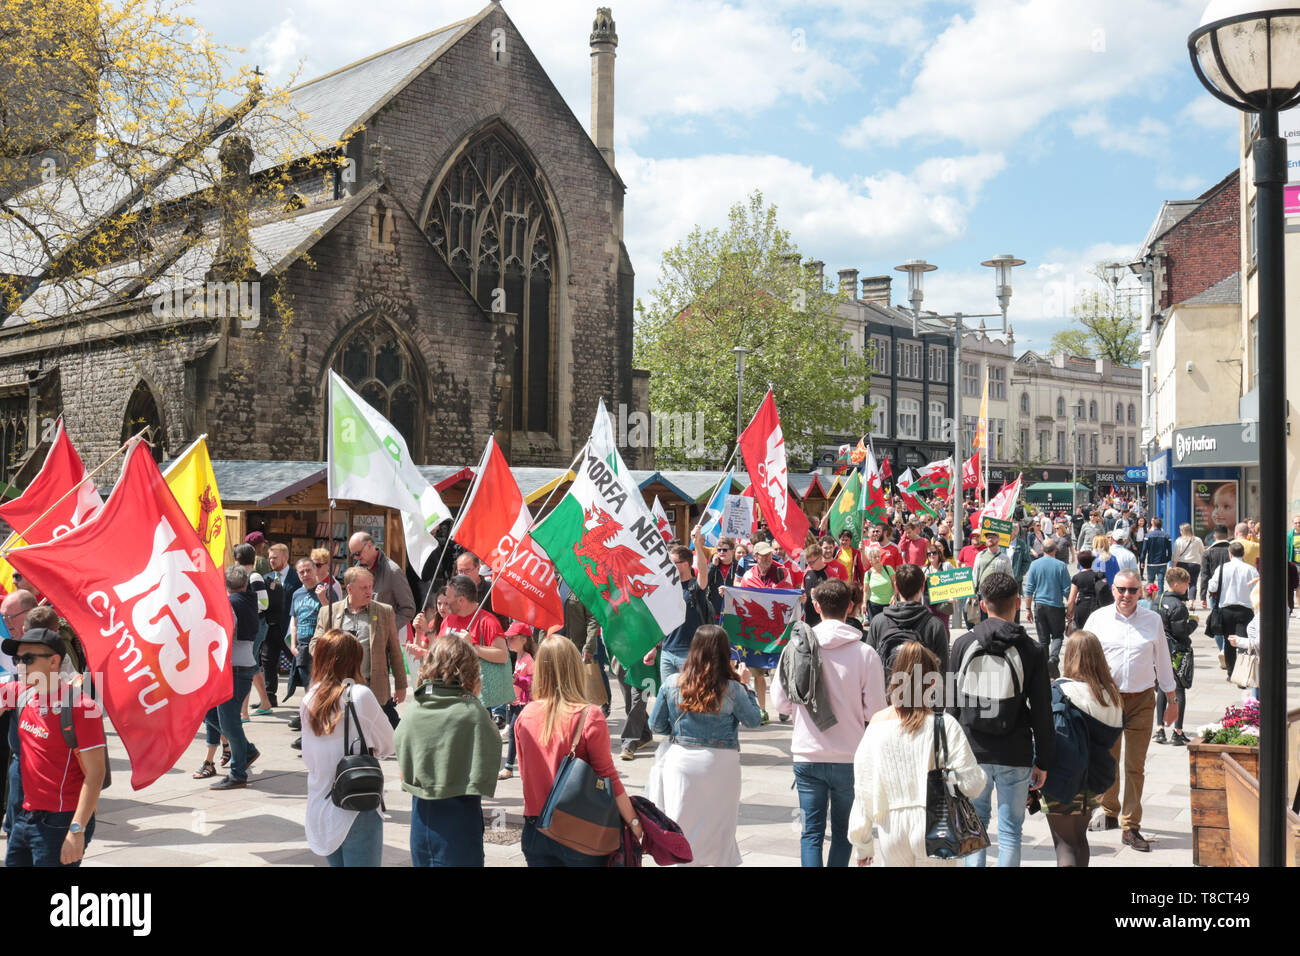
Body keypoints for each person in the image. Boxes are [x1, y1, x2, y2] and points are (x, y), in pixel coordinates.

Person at [772, 577, 887, 867]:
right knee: (843, 833)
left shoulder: (795, 648)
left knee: (811, 833)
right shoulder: (865, 654)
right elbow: (875, 711)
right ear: (851, 607)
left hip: (807, 753)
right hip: (850, 756)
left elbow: (781, 703)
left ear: (816, 605)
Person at [848, 642, 986, 867]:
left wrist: (862, 844)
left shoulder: (876, 725)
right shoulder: (945, 725)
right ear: (932, 683)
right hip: (936, 825)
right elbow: (973, 784)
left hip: (891, 829)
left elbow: (863, 790)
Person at [949, 571, 1054, 867]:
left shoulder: (961, 645)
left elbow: (951, 704)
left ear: (983, 604)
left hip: (972, 749)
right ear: (1017, 603)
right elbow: (1043, 710)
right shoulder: (1032, 649)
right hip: (1015, 750)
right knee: (1010, 832)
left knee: (974, 828)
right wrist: (1044, 760)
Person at [514, 636, 643, 865]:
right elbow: (608, 776)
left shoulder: (524, 716)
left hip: (535, 827)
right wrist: (633, 821)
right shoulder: (589, 715)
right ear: (575, 668)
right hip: (580, 830)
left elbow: (526, 775)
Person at [647, 625, 762, 866]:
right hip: (721, 763)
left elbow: (655, 726)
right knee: (721, 827)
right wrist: (747, 686)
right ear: (723, 652)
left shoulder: (671, 683)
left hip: (682, 760)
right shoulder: (732, 688)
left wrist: (677, 732)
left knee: (682, 824)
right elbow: (753, 720)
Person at [1085, 569, 1178, 852]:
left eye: (1132, 590)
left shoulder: (1153, 620)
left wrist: (1171, 700)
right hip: (1108, 700)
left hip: (1141, 700)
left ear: (1142, 592)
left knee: (1135, 765)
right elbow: (1083, 657)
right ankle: (1109, 810)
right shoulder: (1098, 619)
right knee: (1107, 760)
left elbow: (1162, 660)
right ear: (1113, 590)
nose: (1127, 596)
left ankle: (1130, 825)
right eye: (1122, 590)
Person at [1, 626, 106, 867]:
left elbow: (96, 773)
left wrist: (76, 831)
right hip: (25, 816)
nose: (20, 665)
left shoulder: (81, 706)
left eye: (28, 658)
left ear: (54, 661)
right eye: (17, 658)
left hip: (61, 821)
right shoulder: (22, 693)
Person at [395, 634, 502, 866]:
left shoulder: (415, 709)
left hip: (421, 822)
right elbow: (488, 767)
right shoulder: (472, 712)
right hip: (460, 825)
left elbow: (403, 771)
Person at [301, 628, 396, 866]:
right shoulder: (360, 695)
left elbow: (308, 756)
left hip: (320, 805)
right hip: (356, 804)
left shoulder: (309, 698)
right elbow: (390, 743)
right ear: (355, 660)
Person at [1040, 631, 1124, 867]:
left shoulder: (1060, 691)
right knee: (1079, 839)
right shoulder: (1112, 696)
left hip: (1063, 779)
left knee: (1064, 844)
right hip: (1096, 780)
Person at [313, 566, 408, 728]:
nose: (369, 592)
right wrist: (334, 646)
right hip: (338, 687)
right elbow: (314, 646)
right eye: (363, 588)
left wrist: (401, 685)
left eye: (370, 587)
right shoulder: (328, 612)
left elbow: (395, 651)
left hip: (372, 686)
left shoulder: (384, 611)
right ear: (349, 589)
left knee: (378, 732)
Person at [201, 566, 262, 789]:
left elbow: (223, 635)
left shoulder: (231, 604)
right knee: (214, 716)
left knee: (228, 722)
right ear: (245, 584)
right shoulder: (248, 599)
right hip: (241, 668)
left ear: (225, 585)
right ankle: (246, 751)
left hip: (234, 670)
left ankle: (238, 773)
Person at [736, 539, 792, 723]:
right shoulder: (747, 577)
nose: (768, 558)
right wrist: (727, 593)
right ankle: (761, 710)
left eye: (770, 554)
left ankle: (783, 707)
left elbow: (790, 596)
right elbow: (741, 599)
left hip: (779, 631)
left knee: (779, 672)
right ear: (755, 557)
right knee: (758, 673)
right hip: (756, 631)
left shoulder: (782, 572)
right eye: (764, 555)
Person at [866, 563, 950, 678]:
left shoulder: (878, 622)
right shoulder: (934, 625)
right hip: (923, 693)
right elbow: (943, 672)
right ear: (922, 587)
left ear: (895, 587)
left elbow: (869, 667)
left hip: (887, 693)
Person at [1153, 567, 1197, 745]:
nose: (1189, 586)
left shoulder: (1159, 599)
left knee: (1163, 687)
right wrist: (1193, 623)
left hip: (1161, 650)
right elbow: (1181, 632)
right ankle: (1177, 731)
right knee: (1179, 689)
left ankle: (1160, 729)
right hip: (1177, 651)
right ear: (1177, 584)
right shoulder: (1178, 606)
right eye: (1187, 583)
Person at [233, 543, 275, 718]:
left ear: (237, 559)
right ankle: (265, 702)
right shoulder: (245, 576)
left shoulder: (254, 577)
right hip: (252, 624)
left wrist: (245, 608)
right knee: (252, 664)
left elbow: (264, 604)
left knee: (247, 665)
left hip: (256, 625)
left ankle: (243, 712)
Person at [347, 531, 417, 635]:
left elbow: (408, 609)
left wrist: (386, 629)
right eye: (353, 555)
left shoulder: (392, 571)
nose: (356, 558)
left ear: (369, 545)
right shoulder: (356, 570)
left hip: (384, 641)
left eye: (358, 553)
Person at [1207, 541, 1258, 679]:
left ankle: (1231, 672)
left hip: (1226, 609)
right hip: (1245, 610)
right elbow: (1257, 590)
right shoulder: (1251, 569)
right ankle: (1243, 672)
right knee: (1243, 642)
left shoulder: (1222, 568)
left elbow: (1212, 587)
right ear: (1243, 553)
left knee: (1229, 641)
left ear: (1230, 554)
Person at [1024, 537, 1073, 676]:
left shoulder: (1034, 565)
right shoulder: (1061, 566)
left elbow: (1029, 589)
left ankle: (1045, 668)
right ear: (1055, 550)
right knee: (1057, 635)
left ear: (1041, 550)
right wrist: (1070, 609)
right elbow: (1067, 590)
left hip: (1039, 604)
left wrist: (1028, 609)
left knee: (1043, 639)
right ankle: (1053, 658)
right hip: (1056, 605)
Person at [500, 625, 536, 779]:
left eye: (512, 638)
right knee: (518, 733)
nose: (509, 641)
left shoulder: (528, 658)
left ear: (523, 639)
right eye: (508, 638)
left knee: (516, 732)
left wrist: (517, 679)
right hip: (516, 703)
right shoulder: (519, 658)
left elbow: (533, 680)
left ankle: (509, 766)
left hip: (525, 704)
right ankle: (521, 764)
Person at [971, 533, 1012, 622]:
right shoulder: (980, 555)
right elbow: (974, 574)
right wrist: (973, 591)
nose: (989, 538)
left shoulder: (1004, 558)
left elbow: (1010, 578)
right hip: (982, 593)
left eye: (992, 536)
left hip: (997, 594)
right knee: (982, 620)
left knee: (995, 620)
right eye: (987, 537)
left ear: (998, 540)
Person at [922, 544, 957, 631]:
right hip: (928, 603)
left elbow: (957, 579)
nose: (931, 555)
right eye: (929, 554)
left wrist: (953, 596)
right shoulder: (924, 569)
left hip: (943, 602)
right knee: (930, 628)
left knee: (943, 627)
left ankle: (945, 644)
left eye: (934, 553)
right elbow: (919, 588)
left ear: (939, 554)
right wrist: (923, 579)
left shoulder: (946, 566)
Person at [863, 547, 896, 621]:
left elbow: (895, 584)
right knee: (876, 628)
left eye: (878, 556)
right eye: (875, 557)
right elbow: (865, 591)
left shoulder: (888, 569)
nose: (877, 558)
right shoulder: (868, 574)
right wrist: (864, 603)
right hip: (874, 606)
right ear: (870, 560)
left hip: (890, 604)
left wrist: (894, 596)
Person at [1143, 517, 1171, 594]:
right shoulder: (1166, 536)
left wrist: (1142, 561)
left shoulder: (1148, 535)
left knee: (1150, 582)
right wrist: (1167, 559)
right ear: (1161, 525)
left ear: (1153, 525)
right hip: (1162, 562)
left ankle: (1150, 598)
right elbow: (1169, 550)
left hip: (1151, 562)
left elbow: (1144, 550)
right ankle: (1159, 600)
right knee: (1160, 582)